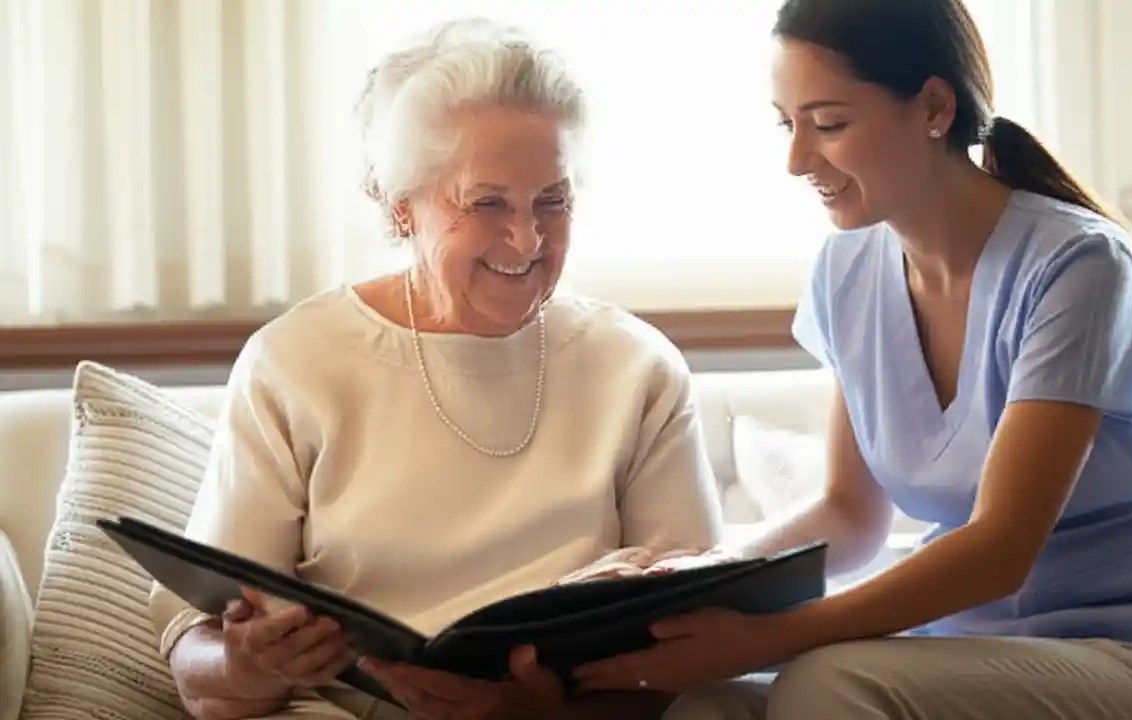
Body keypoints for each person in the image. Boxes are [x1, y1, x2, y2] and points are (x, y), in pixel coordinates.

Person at [571, 1, 1132, 718]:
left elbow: (1001, 547)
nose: (796, 160)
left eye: (829, 124)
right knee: (708, 705)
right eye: (788, 124)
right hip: (971, 652)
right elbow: (850, 516)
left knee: (829, 684)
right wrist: (709, 572)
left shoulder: (1080, 266)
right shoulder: (845, 270)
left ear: (935, 107)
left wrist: (765, 640)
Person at [147, 17, 721, 720]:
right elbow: (199, 665)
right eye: (486, 204)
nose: (527, 238)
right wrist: (247, 662)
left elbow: (697, 640)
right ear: (400, 211)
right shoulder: (295, 362)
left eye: (553, 200)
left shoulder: (636, 366)